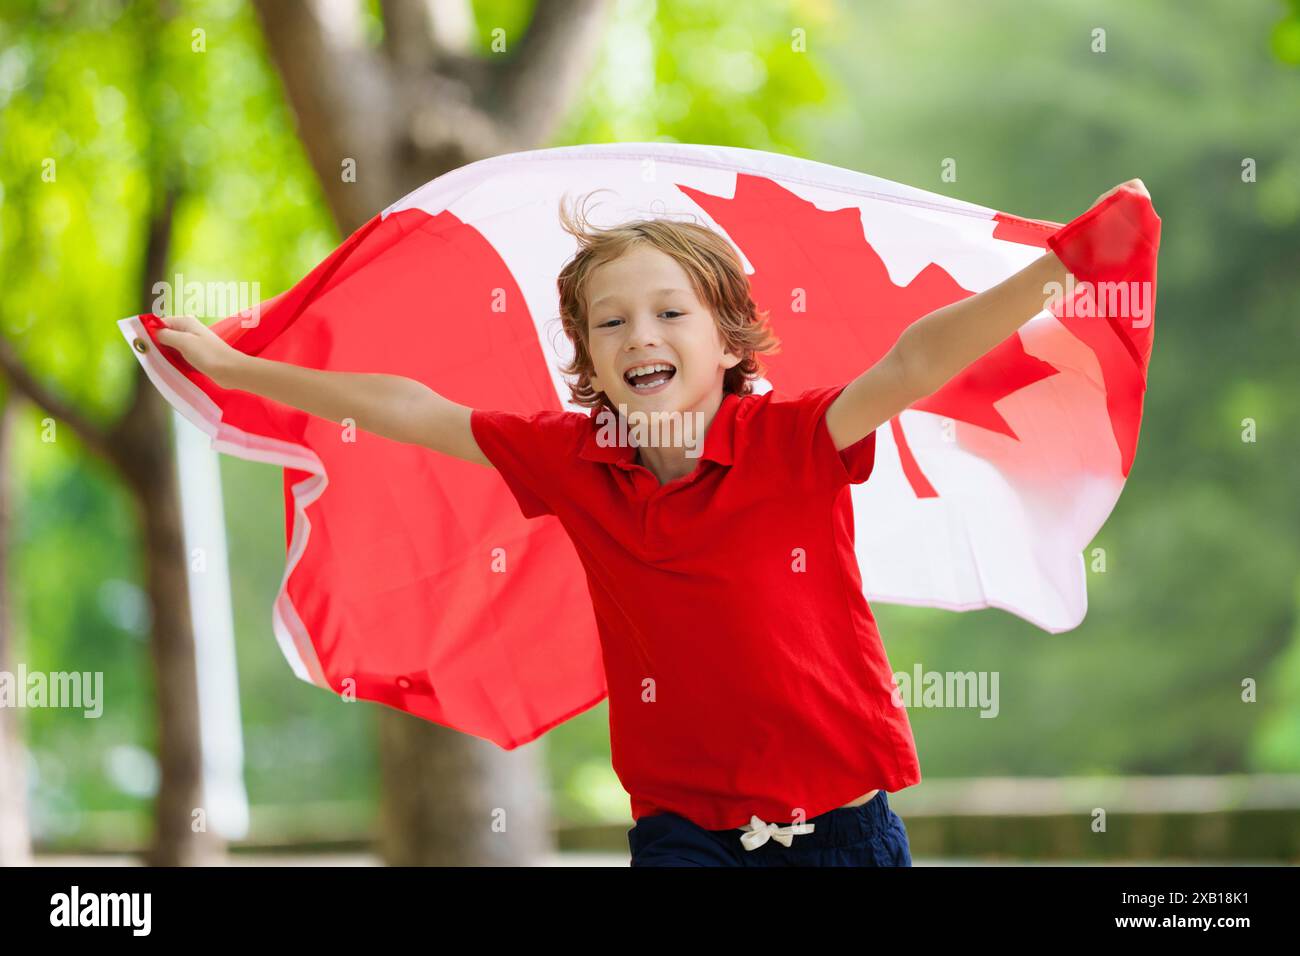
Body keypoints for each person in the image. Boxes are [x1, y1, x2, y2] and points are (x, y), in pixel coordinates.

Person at [156, 179, 1150, 867]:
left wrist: (1059, 267)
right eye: (612, 320)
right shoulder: (571, 458)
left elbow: (911, 364)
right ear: (588, 357)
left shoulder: (794, 437)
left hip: (841, 831)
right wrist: (241, 369)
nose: (642, 334)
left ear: (728, 343)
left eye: (670, 313)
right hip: (682, 832)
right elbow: (408, 407)